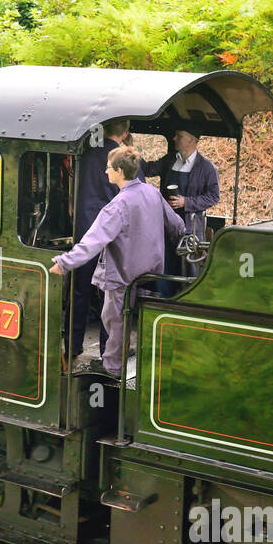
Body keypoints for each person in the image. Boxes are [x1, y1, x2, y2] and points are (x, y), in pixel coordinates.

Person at [50, 147, 185, 378]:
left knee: (113, 321)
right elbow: (177, 226)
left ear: (119, 171)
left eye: (108, 167)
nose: (105, 171)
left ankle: (112, 369)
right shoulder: (152, 193)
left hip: (124, 274)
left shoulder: (117, 206)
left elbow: (92, 242)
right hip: (152, 272)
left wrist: (64, 262)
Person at [69, 117, 131, 361]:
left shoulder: (84, 155)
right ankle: (108, 351)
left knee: (79, 291)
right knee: (111, 295)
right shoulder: (125, 160)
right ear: (125, 134)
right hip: (110, 235)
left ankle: (72, 344)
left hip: (84, 229)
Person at [143, 129, 221, 288]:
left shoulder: (207, 168)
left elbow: (214, 196)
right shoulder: (170, 160)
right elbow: (148, 169)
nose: (174, 138)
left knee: (189, 268)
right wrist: (131, 152)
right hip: (164, 225)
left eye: (179, 136)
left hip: (190, 228)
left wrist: (187, 202)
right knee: (164, 262)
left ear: (192, 140)